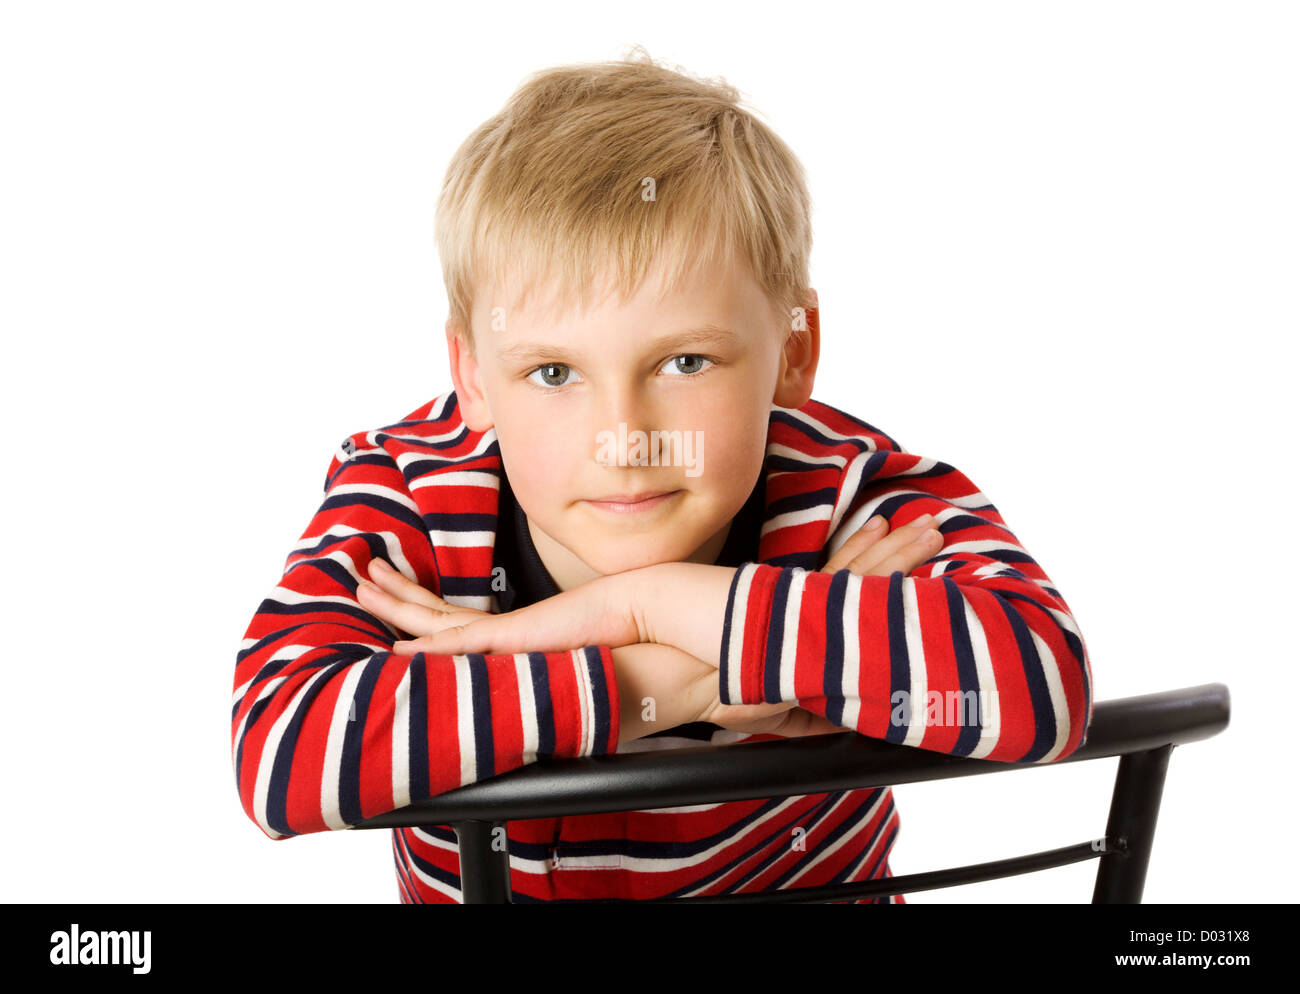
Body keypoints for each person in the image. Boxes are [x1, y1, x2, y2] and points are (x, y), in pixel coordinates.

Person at [231, 49, 1094, 903]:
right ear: (474, 377)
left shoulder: (849, 491)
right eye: (554, 373)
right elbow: (280, 754)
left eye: (685, 362)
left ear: (793, 351)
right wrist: (680, 678)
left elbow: (1045, 686)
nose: (624, 441)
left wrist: (644, 606)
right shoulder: (413, 491)